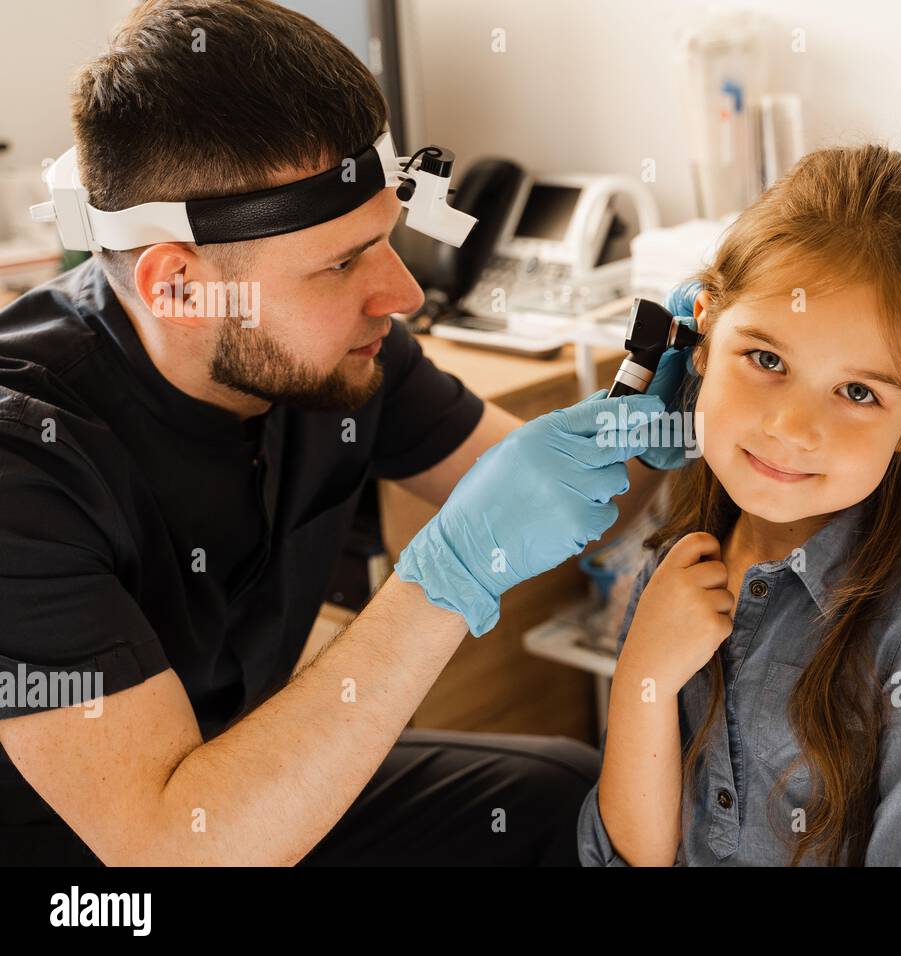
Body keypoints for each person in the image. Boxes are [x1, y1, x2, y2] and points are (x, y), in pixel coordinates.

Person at [0, 0, 686, 866]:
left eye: (385, 240)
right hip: (111, 858)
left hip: (243, 781)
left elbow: (592, 516)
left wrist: (670, 417)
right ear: (178, 288)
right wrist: (446, 578)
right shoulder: (23, 463)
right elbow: (168, 846)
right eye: (341, 262)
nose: (400, 294)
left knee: (558, 801)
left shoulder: (346, 357)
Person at [577, 144, 901, 866]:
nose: (793, 429)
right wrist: (644, 678)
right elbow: (632, 856)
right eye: (766, 360)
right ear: (703, 335)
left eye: (858, 392)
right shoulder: (680, 568)